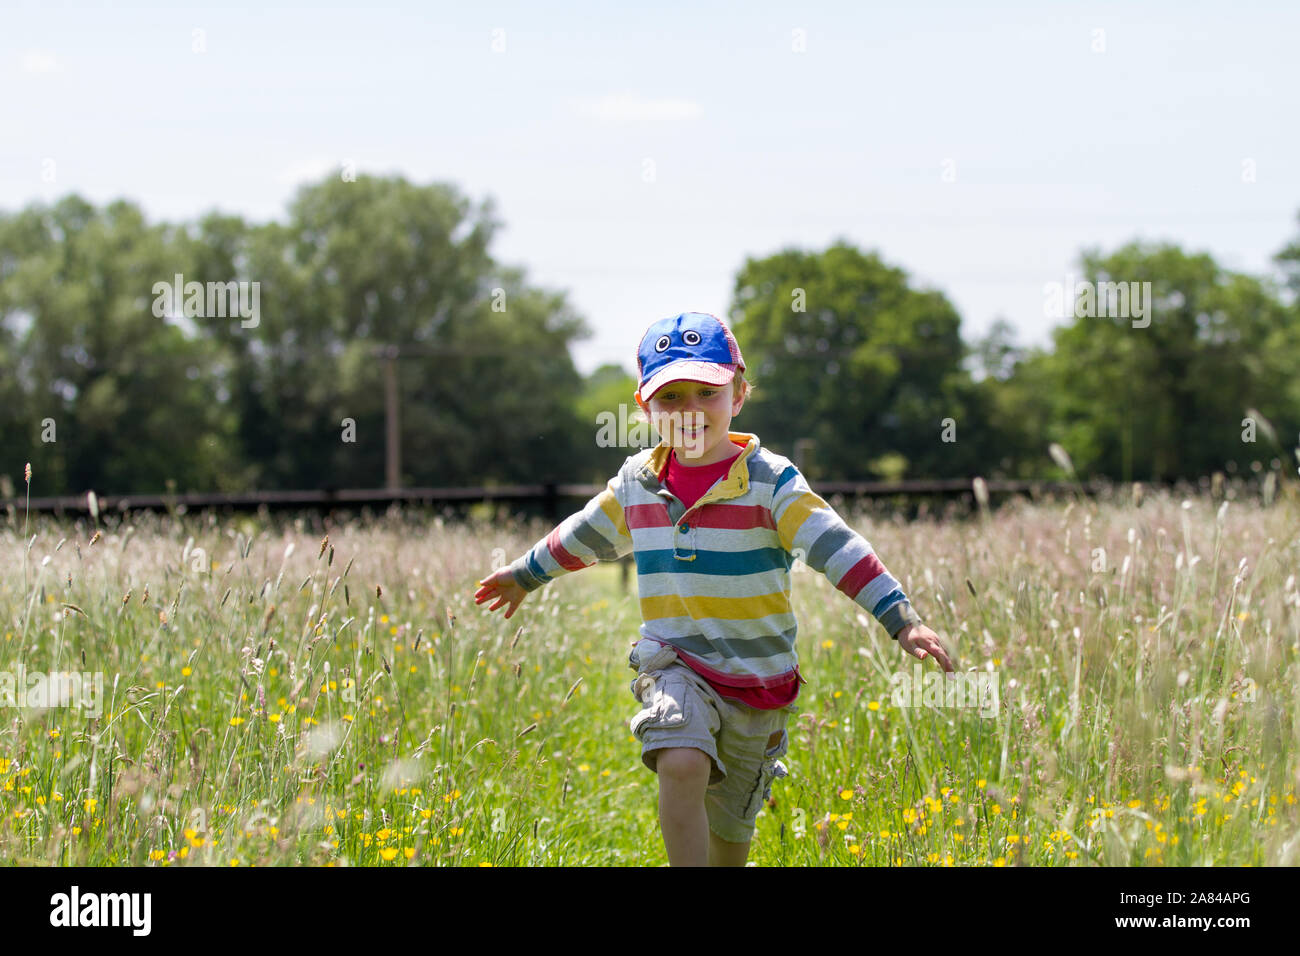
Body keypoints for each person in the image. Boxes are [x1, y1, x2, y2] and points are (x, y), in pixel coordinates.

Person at [474, 311, 953, 866]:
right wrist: (524, 574)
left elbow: (836, 547)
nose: (689, 411)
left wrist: (902, 618)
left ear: (740, 394)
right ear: (645, 407)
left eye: (707, 392)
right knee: (679, 759)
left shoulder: (772, 483)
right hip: (676, 663)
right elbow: (583, 535)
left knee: (731, 835)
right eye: (671, 397)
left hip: (759, 681)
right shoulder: (637, 484)